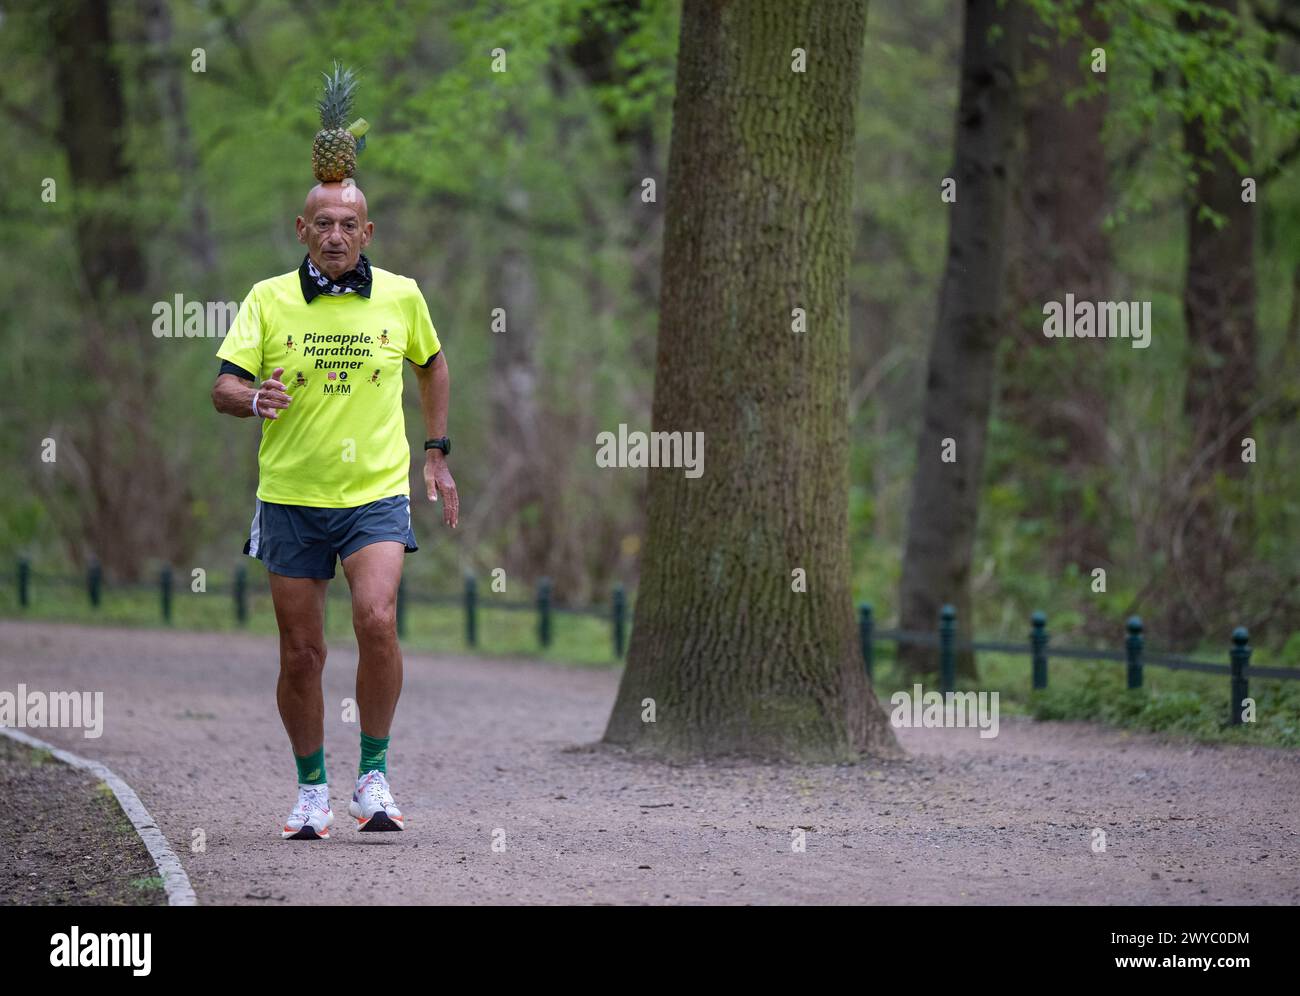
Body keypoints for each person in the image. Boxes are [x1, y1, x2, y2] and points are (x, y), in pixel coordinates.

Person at [212, 180, 458, 839]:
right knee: (301, 652)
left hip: (375, 493)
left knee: (377, 619)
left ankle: (373, 777)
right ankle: (311, 790)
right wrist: (250, 399)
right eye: (323, 223)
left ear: (367, 233)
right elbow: (224, 385)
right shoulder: (269, 299)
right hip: (290, 496)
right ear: (302, 229)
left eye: (349, 223)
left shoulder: (402, 296)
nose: (336, 234)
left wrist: (436, 451)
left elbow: (432, 366)